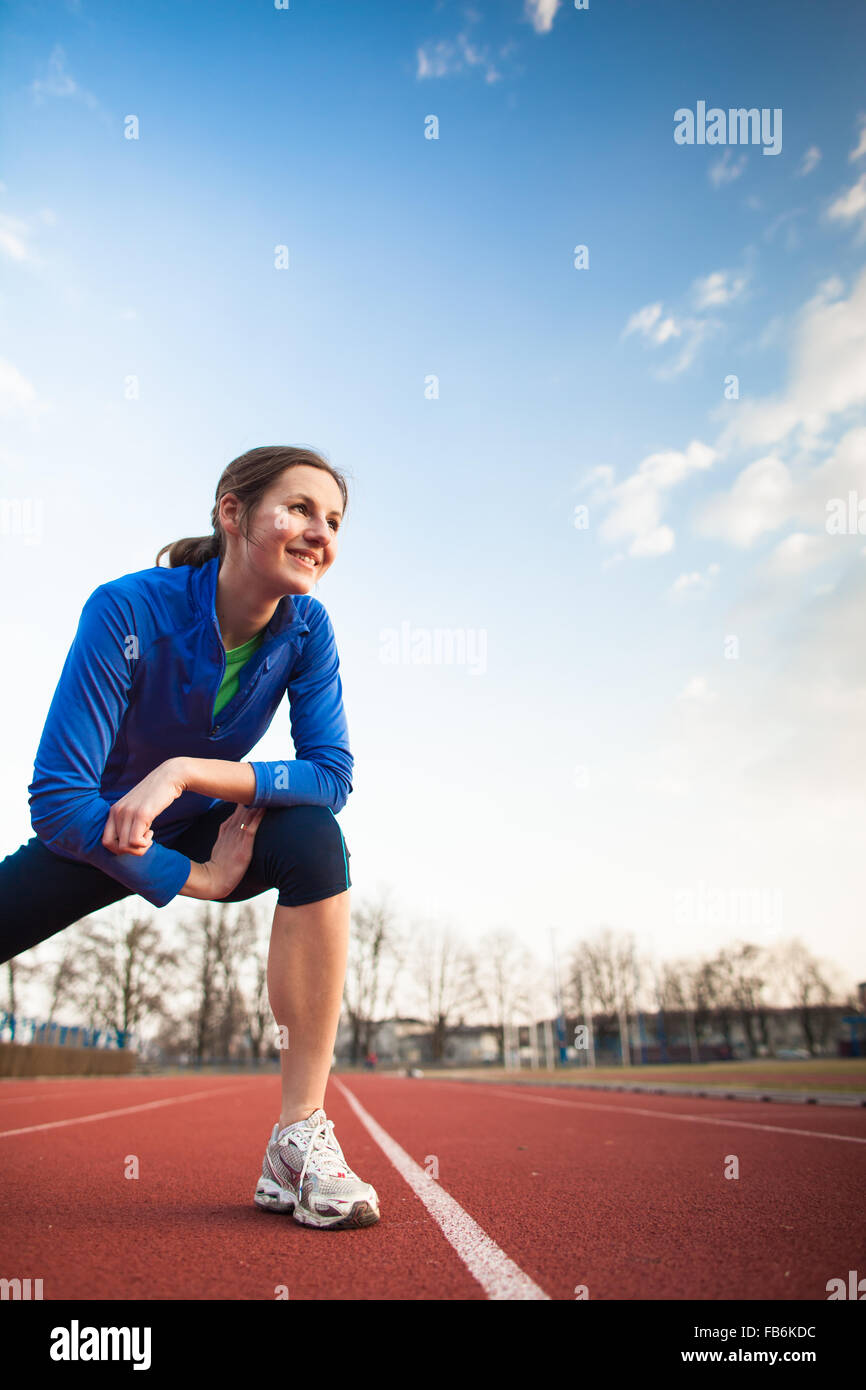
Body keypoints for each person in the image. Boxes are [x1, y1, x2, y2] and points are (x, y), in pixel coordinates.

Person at [0, 445, 379, 1231]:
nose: (321, 533)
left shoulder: (306, 630)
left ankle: (296, 1136)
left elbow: (331, 774)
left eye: (334, 520)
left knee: (313, 838)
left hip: (205, 824)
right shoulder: (127, 609)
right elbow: (56, 799)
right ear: (232, 514)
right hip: (92, 835)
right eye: (301, 509)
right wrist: (192, 878)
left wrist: (186, 771)